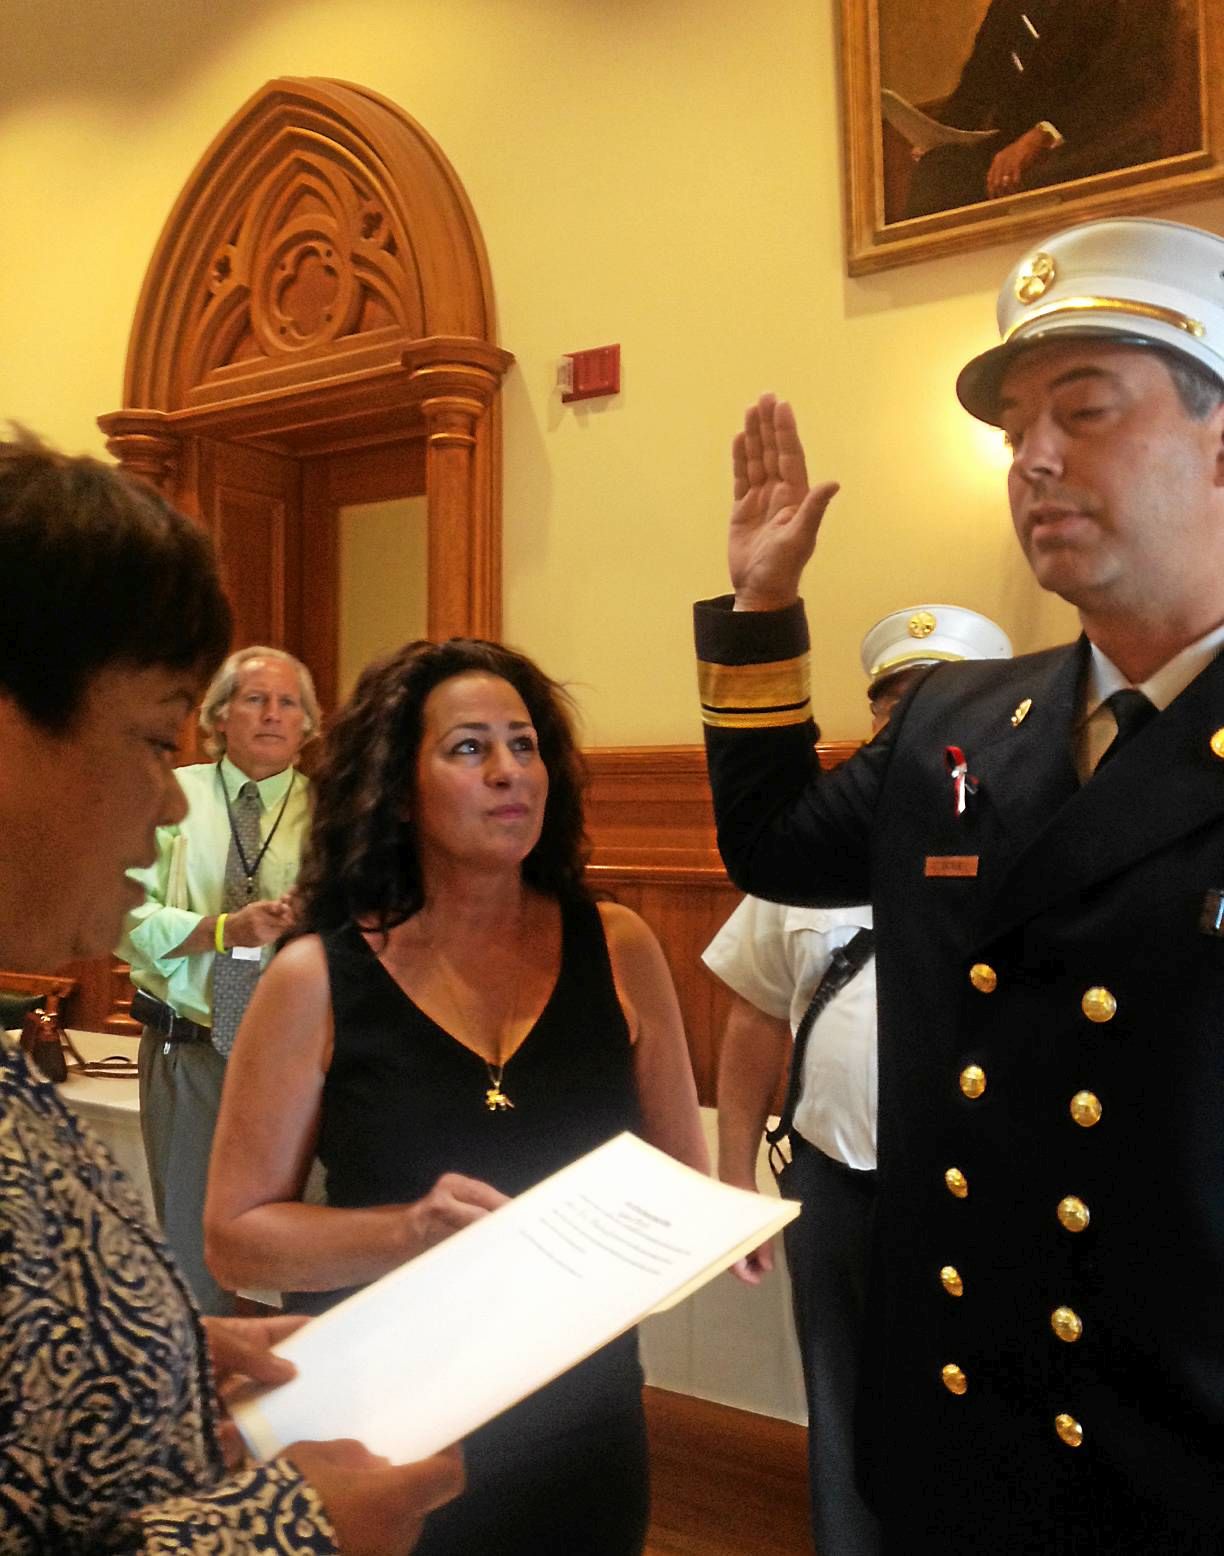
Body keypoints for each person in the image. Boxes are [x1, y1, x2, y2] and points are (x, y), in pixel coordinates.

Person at [693, 217, 1224, 1550]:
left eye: (1085, 411)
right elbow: (775, 850)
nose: (1033, 457)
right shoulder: (963, 721)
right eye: (1015, 429)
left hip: (1179, 1455)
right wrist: (760, 612)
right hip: (961, 1423)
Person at [0, 434, 462, 1551]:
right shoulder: (196, 809)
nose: (166, 801)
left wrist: (158, 1354)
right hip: (192, 1034)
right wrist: (287, 1528)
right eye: (150, 736)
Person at [204, 637, 708, 1556]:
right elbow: (234, 1238)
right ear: (400, 790)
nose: (509, 771)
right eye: (470, 748)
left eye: (524, 745)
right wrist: (409, 1231)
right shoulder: (315, 977)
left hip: (587, 1420)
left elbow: (683, 1186)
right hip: (386, 1431)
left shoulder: (621, 945)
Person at [705, 604, 1011, 1556]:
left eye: (940, 699)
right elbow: (756, 1014)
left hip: (984, 1191)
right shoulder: (807, 851)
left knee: (981, 1402)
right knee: (838, 1398)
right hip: (831, 1178)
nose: (911, 720)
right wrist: (732, 1180)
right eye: (894, 701)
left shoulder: (1038, 839)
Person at [120, 643, 317, 1314]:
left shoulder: (334, 815)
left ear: (308, 724)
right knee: (187, 1251)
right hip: (191, 1049)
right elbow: (124, 915)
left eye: (288, 703)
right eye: (255, 699)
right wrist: (223, 931)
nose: (272, 714)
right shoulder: (169, 796)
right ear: (219, 716)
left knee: (313, 1249)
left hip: (301, 1060)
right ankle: (197, 1373)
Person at [902, 0, 1175, 217]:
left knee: (1032, 183)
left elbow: (1132, 82)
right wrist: (938, 136)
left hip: (1094, 141)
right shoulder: (1009, 5)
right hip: (1010, 148)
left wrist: (1045, 133)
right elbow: (976, 86)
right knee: (939, 172)